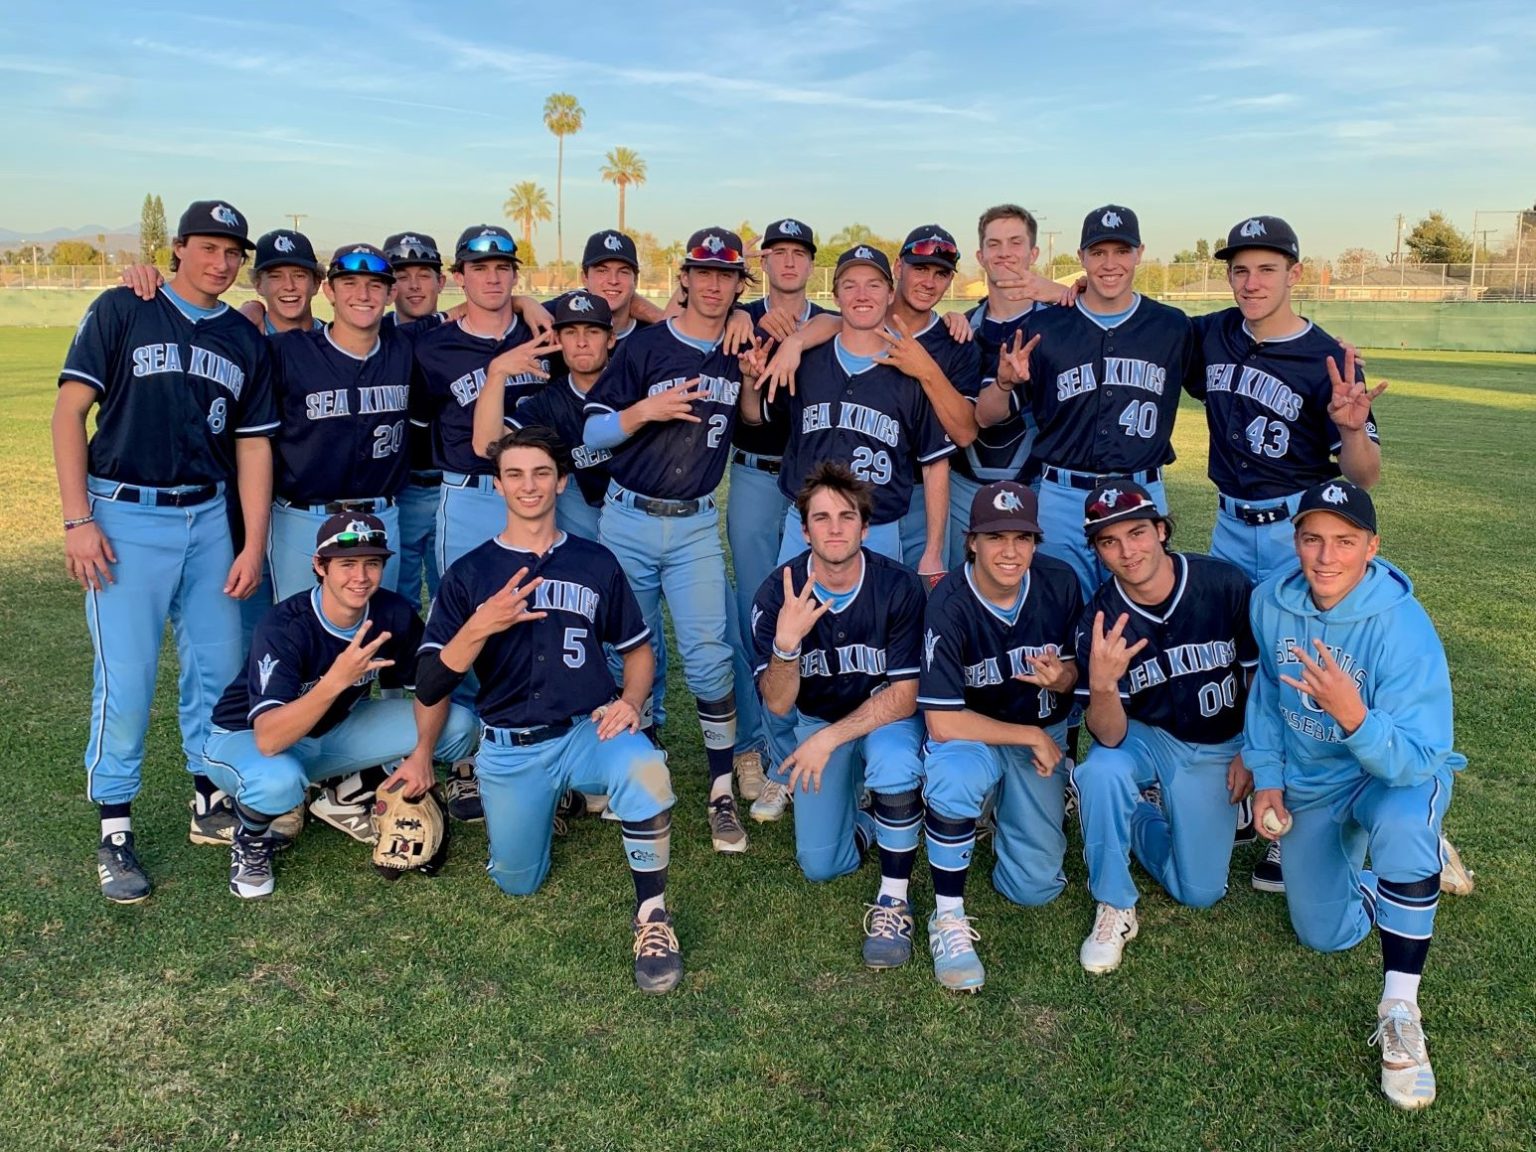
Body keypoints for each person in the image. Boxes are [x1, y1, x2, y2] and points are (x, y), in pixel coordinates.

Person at [52, 199, 277, 903]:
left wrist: (253, 543)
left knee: (218, 674)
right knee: (128, 679)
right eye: (207, 247)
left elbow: (252, 446)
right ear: (177, 249)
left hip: (208, 518)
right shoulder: (125, 306)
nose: (220, 262)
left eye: (232, 252)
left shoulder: (245, 338)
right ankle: (115, 827)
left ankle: (209, 794)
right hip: (123, 515)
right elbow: (68, 412)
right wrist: (75, 519)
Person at [412, 427, 681, 993]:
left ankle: (653, 917)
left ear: (561, 480)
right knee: (518, 882)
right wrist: (481, 625)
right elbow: (431, 681)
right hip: (512, 744)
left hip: (588, 730)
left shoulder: (594, 561)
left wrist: (632, 701)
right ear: (498, 484)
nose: (528, 486)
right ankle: (553, 803)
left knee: (646, 768)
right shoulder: (469, 573)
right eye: (515, 474)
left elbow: (638, 649)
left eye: (541, 473)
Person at [1245, 480, 1466, 1109]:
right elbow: (1265, 695)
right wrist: (1267, 779)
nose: (1325, 556)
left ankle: (1401, 1007)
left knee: (1401, 823)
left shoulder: (1402, 624)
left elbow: (1422, 754)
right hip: (1315, 783)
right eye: (1312, 538)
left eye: (1345, 541)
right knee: (1323, 931)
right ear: (1295, 541)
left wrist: (1355, 716)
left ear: (1371, 547)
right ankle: (1412, 869)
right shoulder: (1270, 603)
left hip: (1391, 776)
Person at [1188, 215, 1386, 894]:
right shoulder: (1212, 333)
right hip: (1226, 524)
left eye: (1266, 268)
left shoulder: (1326, 355)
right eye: (1240, 269)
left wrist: (1352, 427)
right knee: (1234, 659)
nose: (1251, 281)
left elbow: (1363, 476)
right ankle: (1248, 794)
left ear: (1295, 274)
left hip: (1292, 530)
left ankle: (1291, 823)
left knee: (1296, 668)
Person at [582, 227, 759, 853]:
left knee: (711, 652)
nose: (713, 285)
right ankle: (643, 770)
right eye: (703, 273)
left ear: (740, 284)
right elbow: (594, 430)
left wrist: (750, 353)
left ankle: (719, 791)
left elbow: (762, 414)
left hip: (694, 524)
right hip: (627, 516)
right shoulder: (647, 347)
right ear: (684, 277)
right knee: (629, 649)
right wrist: (643, 413)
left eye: (727, 276)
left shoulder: (744, 345)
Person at [202, 514, 477, 897]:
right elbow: (268, 739)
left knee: (459, 725)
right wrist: (335, 681)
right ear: (319, 565)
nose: (360, 576)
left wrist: (423, 754)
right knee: (279, 783)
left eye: (372, 563)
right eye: (347, 564)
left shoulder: (391, 613)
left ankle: (342, 798)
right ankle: (250, 840)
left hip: (332, 731)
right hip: (243, 738)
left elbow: (432, 690)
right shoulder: (286, 626)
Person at [1071, 480, 1257, 973]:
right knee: (1099, 773)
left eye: (1137, 533)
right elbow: (1108, 736)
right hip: (1149, 739)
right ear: (1098, 552)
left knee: (1200, 892)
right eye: (1109, 542)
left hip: (1223, 744)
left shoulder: (1223, 583)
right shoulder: (1100, 618)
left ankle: (1134, 818)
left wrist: (1254, 751)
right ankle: (1113, 902)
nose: (1127, 551)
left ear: (1161, 529)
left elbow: (1262, 680)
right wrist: (1104, 684)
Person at [409, 225, 558, 820]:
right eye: (479, 267)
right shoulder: (433, 346)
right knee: (467, 618)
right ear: (459, 276)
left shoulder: (540, 330)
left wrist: (531, 308)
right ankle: (469, 753)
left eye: (503, 268)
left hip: (538, 493)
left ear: (515, 276)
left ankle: (545, 735)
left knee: (545, 610)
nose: (492, 277)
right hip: (469, 492)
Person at [752, 463, 928, 967]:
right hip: (814, 719)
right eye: (821, 518)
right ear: (803, 530)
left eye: (846, 517)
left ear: (864, 527)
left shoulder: (897, 586)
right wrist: (787, 646)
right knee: (820, 864)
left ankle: (894, 896)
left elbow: (906, 694)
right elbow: (779, 703)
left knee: (894, 760)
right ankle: (869, 818)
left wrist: (830, 740)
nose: (834, 528)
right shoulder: (776, 595)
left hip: (883, 717)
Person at [975, 205, 1195, 597]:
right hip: (1062, 496)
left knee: (1140, 615)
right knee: (1060, 609)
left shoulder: (1172, 326)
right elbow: (987, 416)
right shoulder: (1045, 326)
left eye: (1121, 251)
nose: (1110, 264)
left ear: (1139, 253)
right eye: (1098, 253)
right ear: (1081, 258)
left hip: (1140, 492)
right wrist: (1005, 383)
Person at [917, 481, 1080, 990]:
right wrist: (1030, 734)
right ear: (971, 542)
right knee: (954, 774)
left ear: (1035, 542)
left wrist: (1064, 680)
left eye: (1022, 538)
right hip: (974, 734)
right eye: (995, 537)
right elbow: (942, 722)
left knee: (1034, 889)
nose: (1010, 552)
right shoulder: (949, 601)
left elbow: (1077, 674)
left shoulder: (1059, 582)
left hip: (1039, 733)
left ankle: (1006, 810)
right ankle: (947, 915)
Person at [740, 244, 956, 572]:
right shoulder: (805, 360)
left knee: (876, 621)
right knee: (795, 618)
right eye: (850, 285)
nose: (862, 294)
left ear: (889, 294)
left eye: (873, 284)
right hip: (807, 527)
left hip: (879, 527)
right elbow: (756, 417)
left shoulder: (911, 367)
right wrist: (749, 380)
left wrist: (933, 551)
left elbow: (935, 463)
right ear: (836, 296)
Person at [727, 217, 830, 805]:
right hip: (754, 475)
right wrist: (744, 316)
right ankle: (752, 748)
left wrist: (796, 338)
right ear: (763, 261)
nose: (789, 262)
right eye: (779, 253)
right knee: (753, 613)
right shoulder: (744, 317)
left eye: (800, 253)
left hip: (814, 489)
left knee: (806, 615)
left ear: (811, 263)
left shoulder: (825, 320)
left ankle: (794, 739)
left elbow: (849, 321)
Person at [951, 205, 1049, 565]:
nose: (1004, 252)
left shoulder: (1062, 323)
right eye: (994, 244)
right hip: (964, 489)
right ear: (980, 255)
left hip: (1037, 488)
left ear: (1033, 253)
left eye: (1015, 242)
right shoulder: (960, 327)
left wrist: (1073, 289)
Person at [383, 230, 449, 615]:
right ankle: (402, 676)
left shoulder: (462, 331)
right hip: (401, 489)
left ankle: (455, 675)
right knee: (397, 598)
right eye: (402, 275)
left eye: (423, 274)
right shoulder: (372, 334)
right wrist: (252, 309)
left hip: (454, 488)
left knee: (456, 593)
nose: (413, 285)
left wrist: (524, 300)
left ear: (441, 281)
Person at [241, 229, 324, 334]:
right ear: (258, 285)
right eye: (275, 277)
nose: (289, 286)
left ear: (316, 284)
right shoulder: (242, 342)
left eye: (299, 276)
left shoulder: (336, 340)